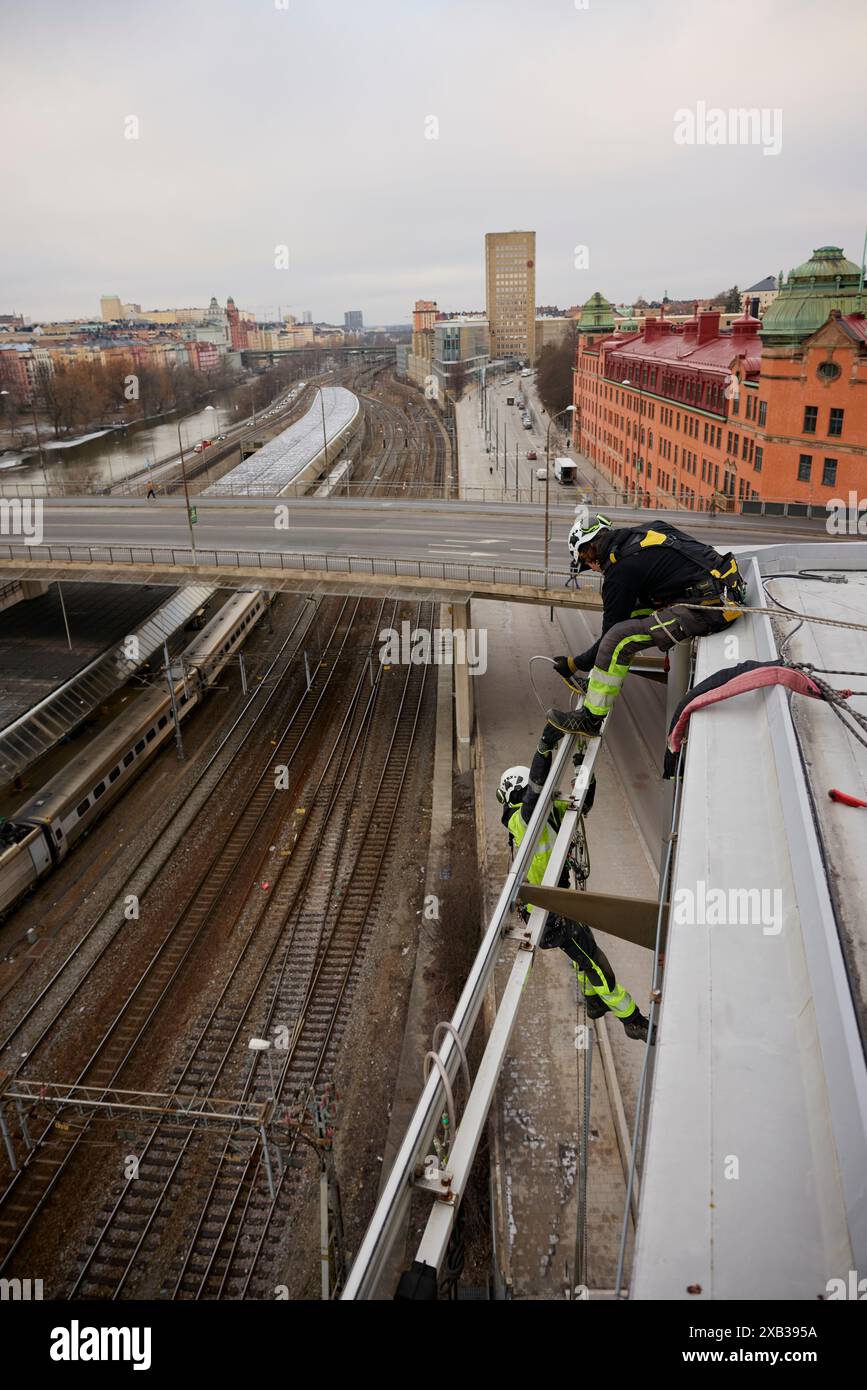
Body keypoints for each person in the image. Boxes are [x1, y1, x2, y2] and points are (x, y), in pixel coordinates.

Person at [549, 513, 747, 736]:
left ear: (591, 550)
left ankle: (591, 719)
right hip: (725, 586)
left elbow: (609, 637)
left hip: (709, 609)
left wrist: (575, 664)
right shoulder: (646, 533)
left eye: (586, 561)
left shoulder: (619, 573)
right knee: (632, 614)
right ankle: (596, 684)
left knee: (618, 638)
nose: (592, 568)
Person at [497, 762, 651, 1041]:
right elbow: (532, 803)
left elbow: (581, 805)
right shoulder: (521, 821)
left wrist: (585, 775)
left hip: (558, 905)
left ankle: (593, 1002)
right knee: (595, 963)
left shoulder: (547, 813)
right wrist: (544, 751)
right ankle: (631, 1020)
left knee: (582, 954)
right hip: (552, 915)